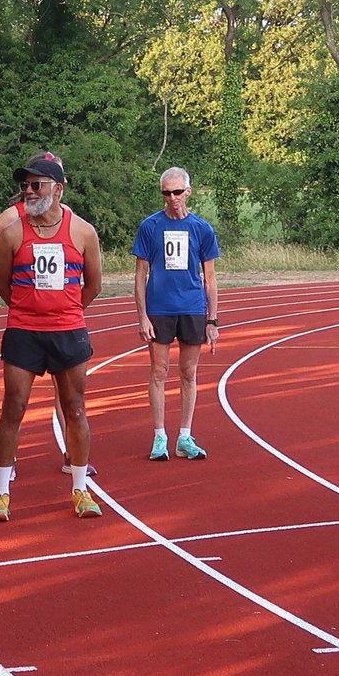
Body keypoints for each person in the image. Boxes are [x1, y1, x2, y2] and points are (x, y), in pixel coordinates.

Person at [0, 152, 105, 521]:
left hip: (68, 331)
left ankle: (81, 489)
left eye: (36, 184)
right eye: (25, 185)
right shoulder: (12, 233)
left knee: (75, 408)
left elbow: (94, 285)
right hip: (23, 331)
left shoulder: (83, 232)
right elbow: (3, 286)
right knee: (13, 407)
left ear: (58, 189)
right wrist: (29, 309)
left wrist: (66, 310)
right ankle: (1, 493)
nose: (29, 191)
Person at [133, 167, 221, 460]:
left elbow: (210, 278)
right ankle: (160, 436)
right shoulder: (150, 226)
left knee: (189, 372)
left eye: (177, 192)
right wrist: (142, 316)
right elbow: (140, 275)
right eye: (166, 193)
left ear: (188, 192)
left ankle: (185, 436)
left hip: (192, 308)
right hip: (160, 309)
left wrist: (212, 320)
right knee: (159, 371)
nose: (172, 198)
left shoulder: (202, 229)